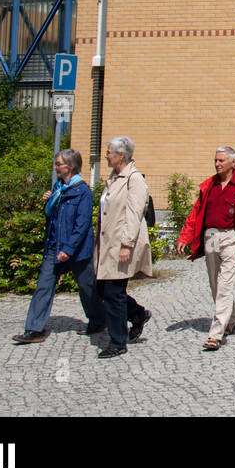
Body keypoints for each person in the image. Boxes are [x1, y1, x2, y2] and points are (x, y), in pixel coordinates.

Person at [176, 147, 235, 351]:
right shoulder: (210, 185)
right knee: (215, 284)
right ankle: (232, 317)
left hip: (230, 237)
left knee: (225, 285)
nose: (217, 164)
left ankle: (216, 334)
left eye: (221, 160)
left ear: (233, 163)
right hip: (211, 236)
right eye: (216, 160)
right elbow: (196, 212)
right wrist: (185, 236)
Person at [12, 149, 100, 343]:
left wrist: (68, 250)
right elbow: (53, 218)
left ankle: (98, 319)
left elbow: (82, 224)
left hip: (76, 250)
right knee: (43, 286)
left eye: (58, 164)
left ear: (69, 166)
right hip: (54, 246)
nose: (55, 167)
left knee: (87, 287)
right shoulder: (59, 187)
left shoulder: (82, 191)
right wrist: (49, 201)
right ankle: (34, 330)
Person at [94, 136, 154, 358]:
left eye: (109, 152)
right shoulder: (114, 176)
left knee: (113, 292)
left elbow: (134, 212)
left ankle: (118, 342)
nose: (106, 155)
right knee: (102, 289)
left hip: (122, 243)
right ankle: (138, 314)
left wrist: (126, 245)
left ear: (121, 155)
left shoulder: (134, 179)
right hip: (107, 243)